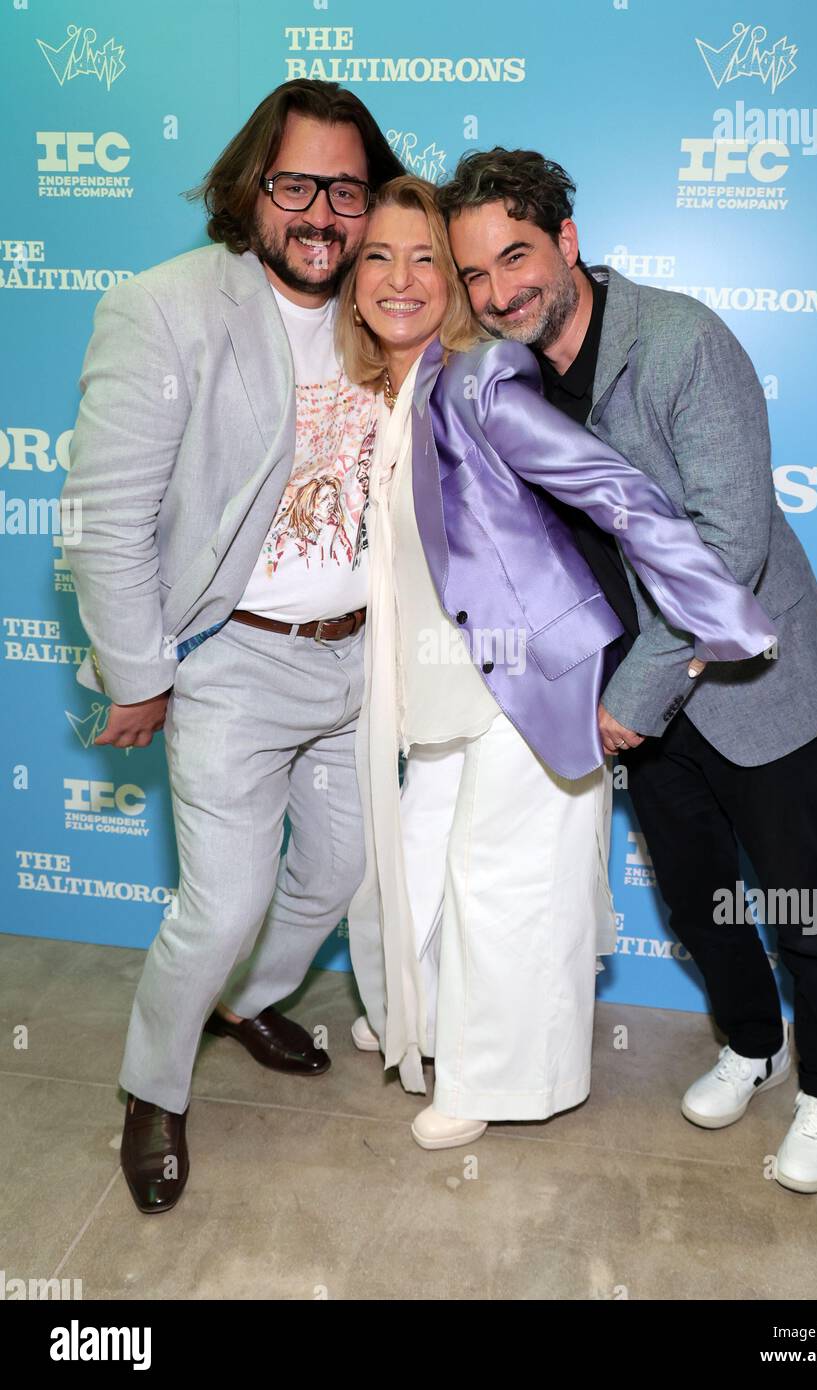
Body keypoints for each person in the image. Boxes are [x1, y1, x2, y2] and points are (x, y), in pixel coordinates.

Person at [439, 147, 817, 1193]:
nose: (498, 295)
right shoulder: (508, 379)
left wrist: (629, 701)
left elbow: (732, 552)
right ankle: (753, 1043)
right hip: (635, 698)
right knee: (694, 892)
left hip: (750, 689)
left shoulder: (680, 343)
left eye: (517, 258)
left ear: (568, 242)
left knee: (796, 896)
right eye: (477, 277)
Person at [338, 175, 775, 1151]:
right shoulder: (389, 395)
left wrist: (716, 610)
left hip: (531, 677)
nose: (403, 279)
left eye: (428, 261)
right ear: (354, 280)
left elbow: (614, 491)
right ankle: (421, 1015)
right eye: (379, 257)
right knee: (409, 868)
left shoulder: (483, 380)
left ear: (457, 286)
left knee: (507, 887)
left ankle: (497, 1076)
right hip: (447, 680)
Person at [60, 80, 404, 1213]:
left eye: (345, 190)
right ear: (251, 186)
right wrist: (143, 671)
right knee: (221, 899)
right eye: (295, 184)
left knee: (339, 871)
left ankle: (247, 1003)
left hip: (360, 661)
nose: (320, 213)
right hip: (232, 662)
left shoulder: (389, 303)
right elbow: (106, 516)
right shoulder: (164, 309)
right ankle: (153, 1087)